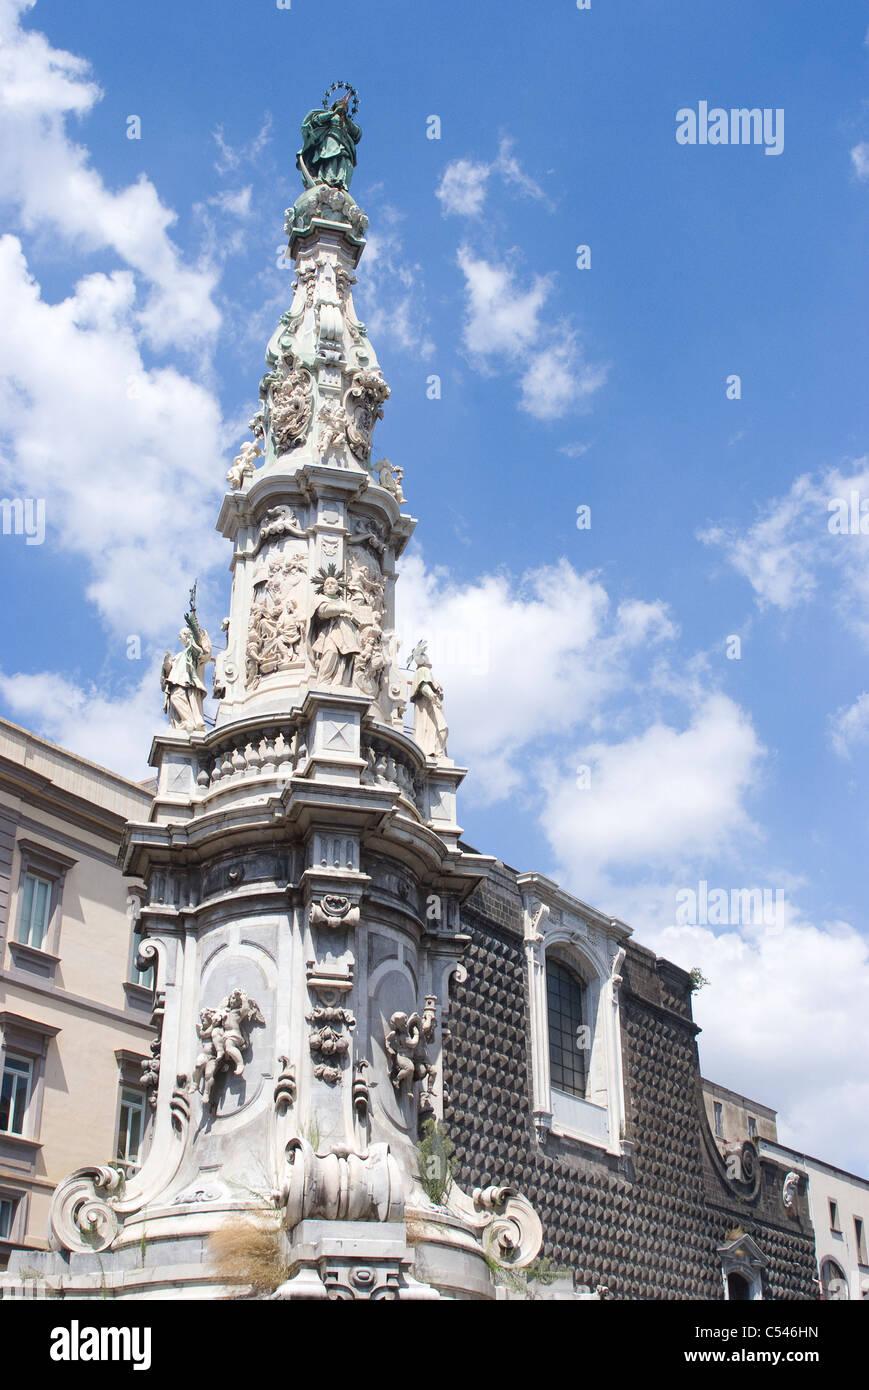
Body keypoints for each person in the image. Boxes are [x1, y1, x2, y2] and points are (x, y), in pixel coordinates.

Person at [297, 94, 361, 191]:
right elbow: (316, 121)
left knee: (344, 160)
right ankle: (326, 179)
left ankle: (339, 181)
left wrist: (346, 119)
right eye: (340, 105)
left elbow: (357, 134)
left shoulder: (346, 122)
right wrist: (334, 113)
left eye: (346, 108)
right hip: (331, 139)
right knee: (330, 156)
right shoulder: (328, 115)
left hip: (345, 143)